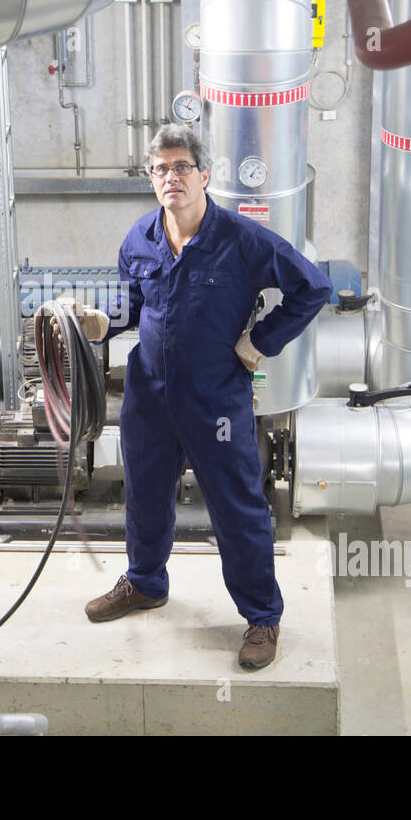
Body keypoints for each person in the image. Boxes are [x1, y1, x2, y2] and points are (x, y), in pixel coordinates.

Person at [77, 124, 332, 670]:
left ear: (205, 175)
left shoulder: (243, 240)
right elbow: (134, 303)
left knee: (237, 509)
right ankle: (145, 582)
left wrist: (260, 341)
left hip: (215, 399)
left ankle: (262, 616)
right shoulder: (139, 238)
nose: (171, 176)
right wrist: (103, 321)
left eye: (182, 167)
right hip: (149, 394)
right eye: (161, 169)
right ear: (151, 179)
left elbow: (313, 287)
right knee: (144, 496)